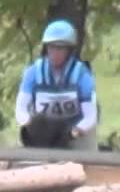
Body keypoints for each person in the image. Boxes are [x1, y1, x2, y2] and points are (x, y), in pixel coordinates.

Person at [15, 19, 99, 151]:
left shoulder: (82, 75)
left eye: (61, 48)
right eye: (52, 47)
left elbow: (90, 116)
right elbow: (20, 108)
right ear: (46, 48)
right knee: (24, 159)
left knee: (86, 160)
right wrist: (30, 124)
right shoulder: (33, 72)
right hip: (42, 131)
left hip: (74, 130)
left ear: (69, 50)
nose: (55, 53)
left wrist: (74, 132)